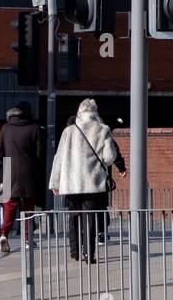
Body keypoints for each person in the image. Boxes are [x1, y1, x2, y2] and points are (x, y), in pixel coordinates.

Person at [48, 98, 119, 264]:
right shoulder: (103, 130)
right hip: (92, 183)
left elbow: (58, 158)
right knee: (90, 218)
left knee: (74, 217)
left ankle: (75, 251)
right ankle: (89, 254)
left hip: (71, 183)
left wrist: (55, 182)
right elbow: (109, 158)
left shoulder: (68, 131)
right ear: (95, 112)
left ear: (79, 112)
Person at [0, 101, 43, 255]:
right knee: (29, 209)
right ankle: (28, 239)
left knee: (10, 207)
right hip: (29, 173)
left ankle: (4, 234)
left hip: (10, 173)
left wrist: (2, 176)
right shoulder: (35, 129)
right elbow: (40, 155)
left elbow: (0, 153)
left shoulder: (5, 128)